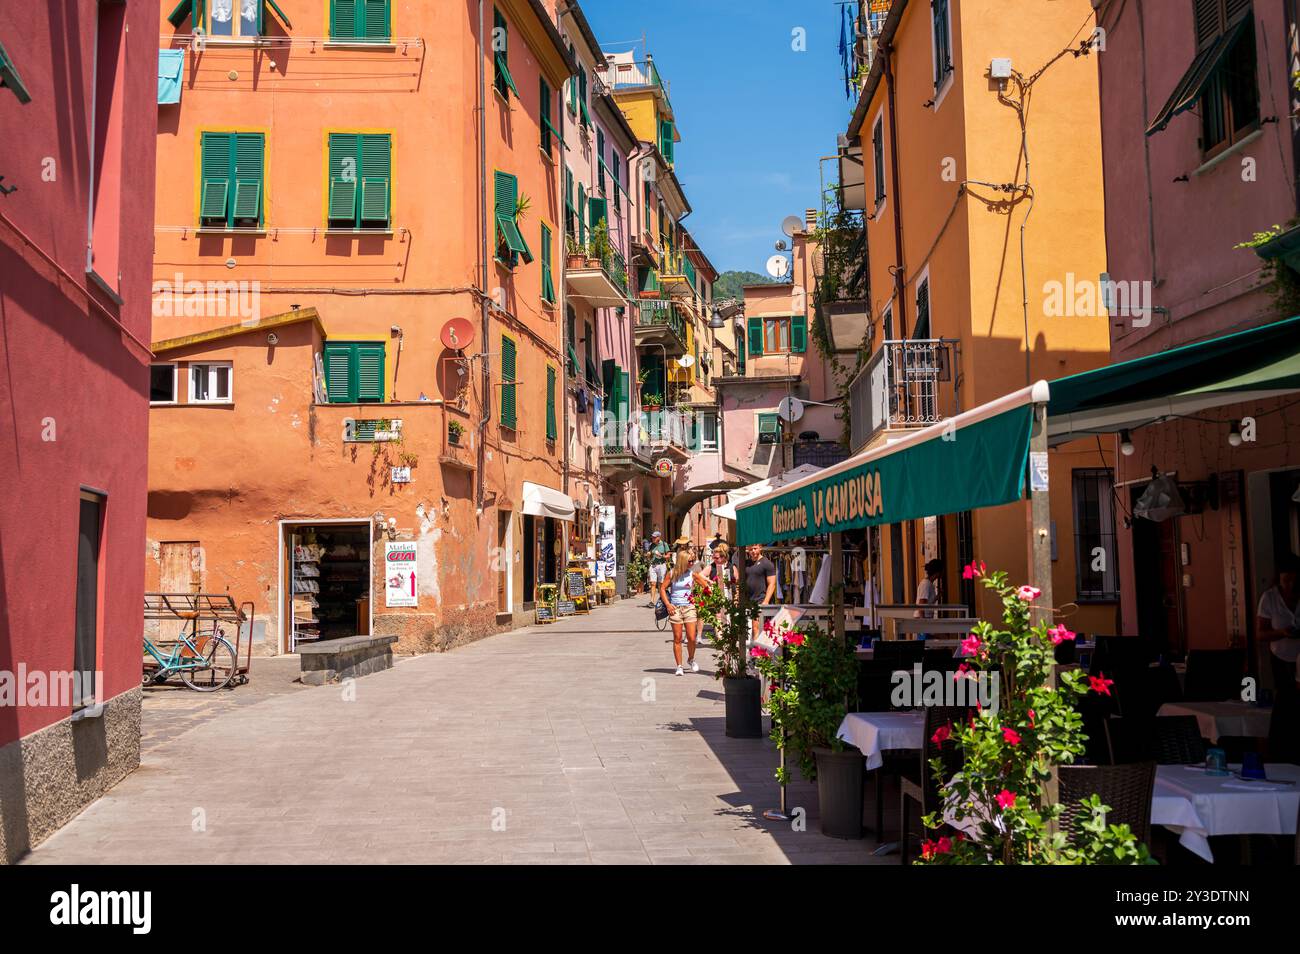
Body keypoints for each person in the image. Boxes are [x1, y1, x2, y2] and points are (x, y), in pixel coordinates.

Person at [1257, 557, 1300, 694]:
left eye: (1295, 581)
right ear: (1279, 579)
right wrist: (1282, 633)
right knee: (1286, 696)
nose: (1291, 585)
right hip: (1281, 658)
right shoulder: (1269, 598)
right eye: (1287, 581)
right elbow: (1260, 634)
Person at [661, 545, 700, 675]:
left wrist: (700, 599)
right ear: (682, 561)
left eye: (693, 561)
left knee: (691, 637)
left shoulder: (692, 574)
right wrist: (668, 604)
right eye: (690, 561)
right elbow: (662, 588)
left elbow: (705, 587)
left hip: (689, 607)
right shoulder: (672, 573)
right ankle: (679, 666)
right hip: (675, 608)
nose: (692, 563)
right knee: (677, 638)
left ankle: (691, 659)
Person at [743, 543, 777, 640]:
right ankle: (755, 646)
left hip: (760, 599)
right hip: (748, 599)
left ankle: (757, 648)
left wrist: (766, 601)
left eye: (755, 548)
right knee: (749, 627)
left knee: (756, 627)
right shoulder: (746, 563)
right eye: (751, 549)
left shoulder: (767, 563)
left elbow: (772, 584)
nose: (753, 551)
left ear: (760, 548)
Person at [646, 530, 670, 597]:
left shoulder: (664, 544)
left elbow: (668, 556)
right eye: (652, 537)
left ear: (659, 537)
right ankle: (652, 601)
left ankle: (661, 598)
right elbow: (650, 555)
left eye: (654, 537)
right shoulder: (651, 545)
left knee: (661, 583)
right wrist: (648, 554)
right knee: (652, 583)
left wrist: (661, 556)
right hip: (653, 565)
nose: (653, 538)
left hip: (661, 565)